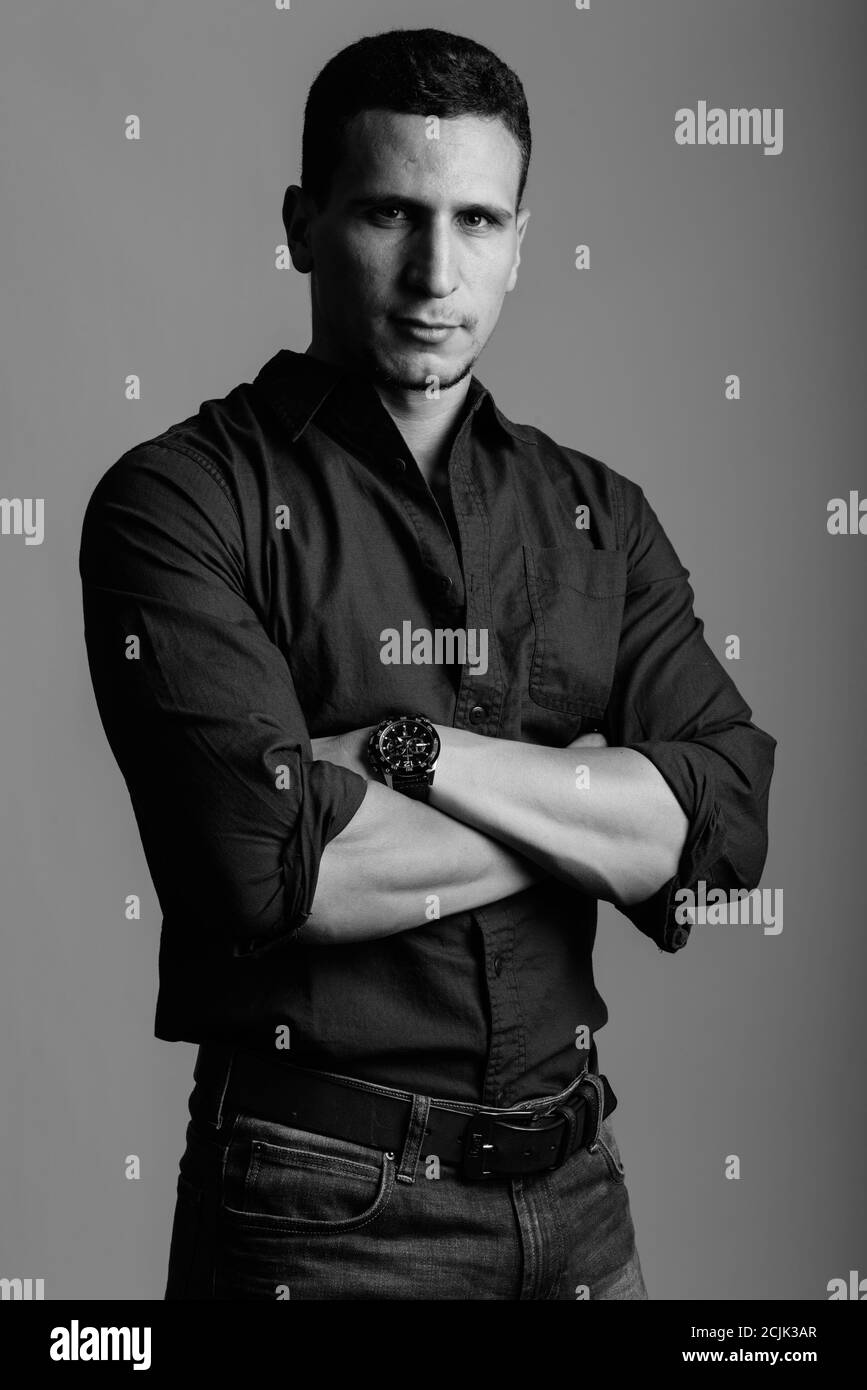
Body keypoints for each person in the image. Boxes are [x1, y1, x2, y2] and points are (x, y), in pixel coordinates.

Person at [78, 27, 776, 1301]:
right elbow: (262, 866)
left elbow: (724, 830)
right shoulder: (178, 503)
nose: (434, 270)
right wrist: (593, 799)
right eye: (391, 211)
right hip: (321, 1206)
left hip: (583, 1200)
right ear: (302, 223)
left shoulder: (599, 515)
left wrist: (415, 759)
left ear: (521, 238)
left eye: (476, 219)